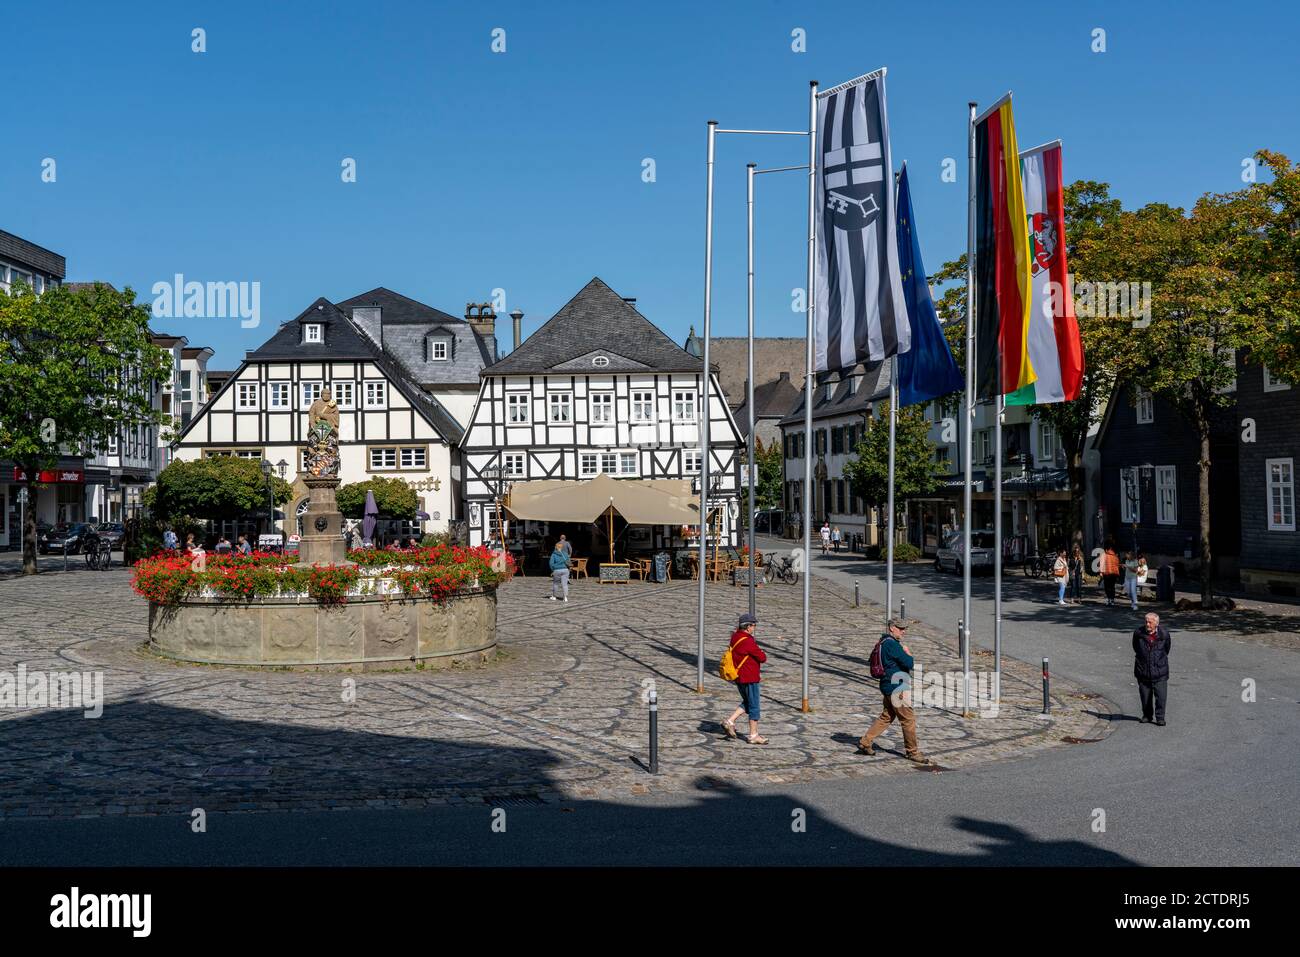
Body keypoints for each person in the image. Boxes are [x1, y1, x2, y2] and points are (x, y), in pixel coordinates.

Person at [858, 619, 929, 763]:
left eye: (904, 629)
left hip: (886, 685)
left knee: (887, 716)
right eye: (900, 628)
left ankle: (865, 742)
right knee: (908, 720)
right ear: (892, 628)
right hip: (898, 687)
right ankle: (912, 752)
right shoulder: (893, 645)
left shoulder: (882, 643)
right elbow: (909, 663)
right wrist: (908, 653)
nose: (903, 631)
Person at [722, 612, 768, 745]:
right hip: (750, 677)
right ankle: (753, 735)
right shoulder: (748, 640)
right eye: (753, 625)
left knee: (747, 702)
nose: (754, 628)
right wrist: (761, 652)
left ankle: (730, 721)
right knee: (754, 706)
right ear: (748, 627)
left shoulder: (735, 636)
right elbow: (762, 658)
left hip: (738, 676)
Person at [1132, 612, 1172, 726]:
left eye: (1150, 622)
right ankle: (1147, 716)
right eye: (1146, 621)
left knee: (1161, 697)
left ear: (1156, 623)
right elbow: (1136, 647)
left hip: (1160, 671)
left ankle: (1160, 718)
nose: (1147, 624)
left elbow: (1167, 649)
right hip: (1143, 670)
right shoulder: (1138, 633)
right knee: (1145, 696)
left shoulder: (1164, 634)